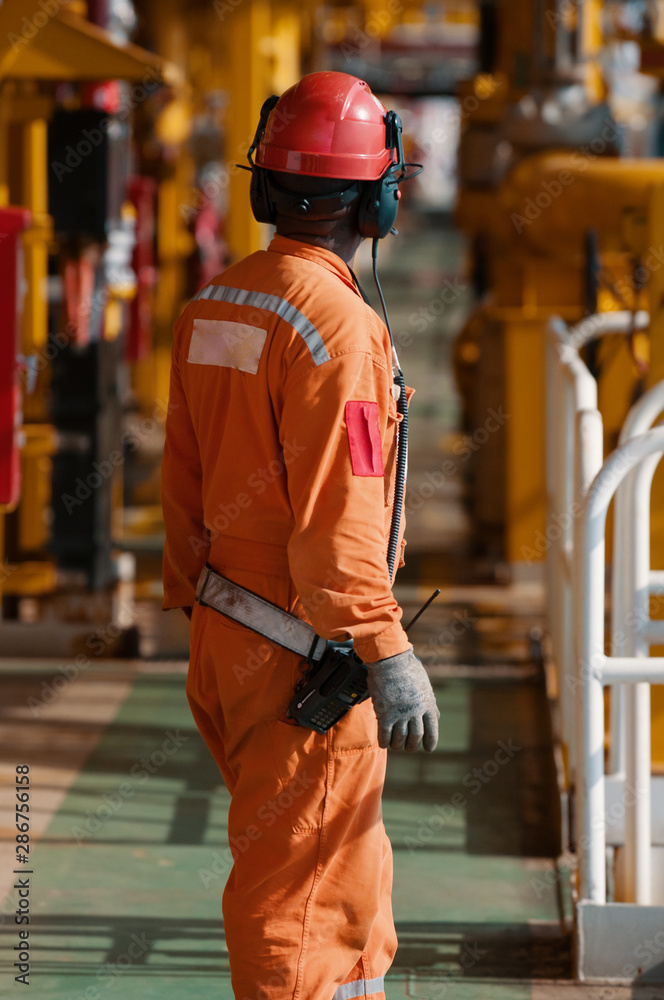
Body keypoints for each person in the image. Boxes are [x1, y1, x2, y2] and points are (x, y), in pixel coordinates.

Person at [161, 71, 439, 1000]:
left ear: (265, 191)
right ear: (380, 201)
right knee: (303, 908)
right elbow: (339, 519)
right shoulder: (338, 329)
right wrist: (385, 644)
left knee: (334, 881)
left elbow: (185, 481)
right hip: (304, 655)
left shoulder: (219, 305)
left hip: (230, 637)